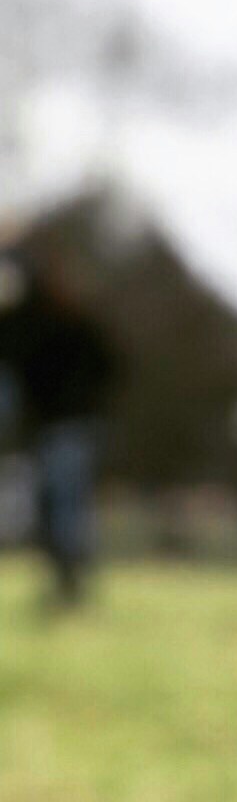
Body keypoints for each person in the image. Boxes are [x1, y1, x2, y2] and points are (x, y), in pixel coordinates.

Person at [0, 241, 121, 612]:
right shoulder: (17, 325)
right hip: (47, 428)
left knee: (65, 503)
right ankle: (64, 582)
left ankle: (71, 584)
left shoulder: (61, 320)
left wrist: (79, 399)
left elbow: (108, 364)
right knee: (50, 506)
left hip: (73, 425)